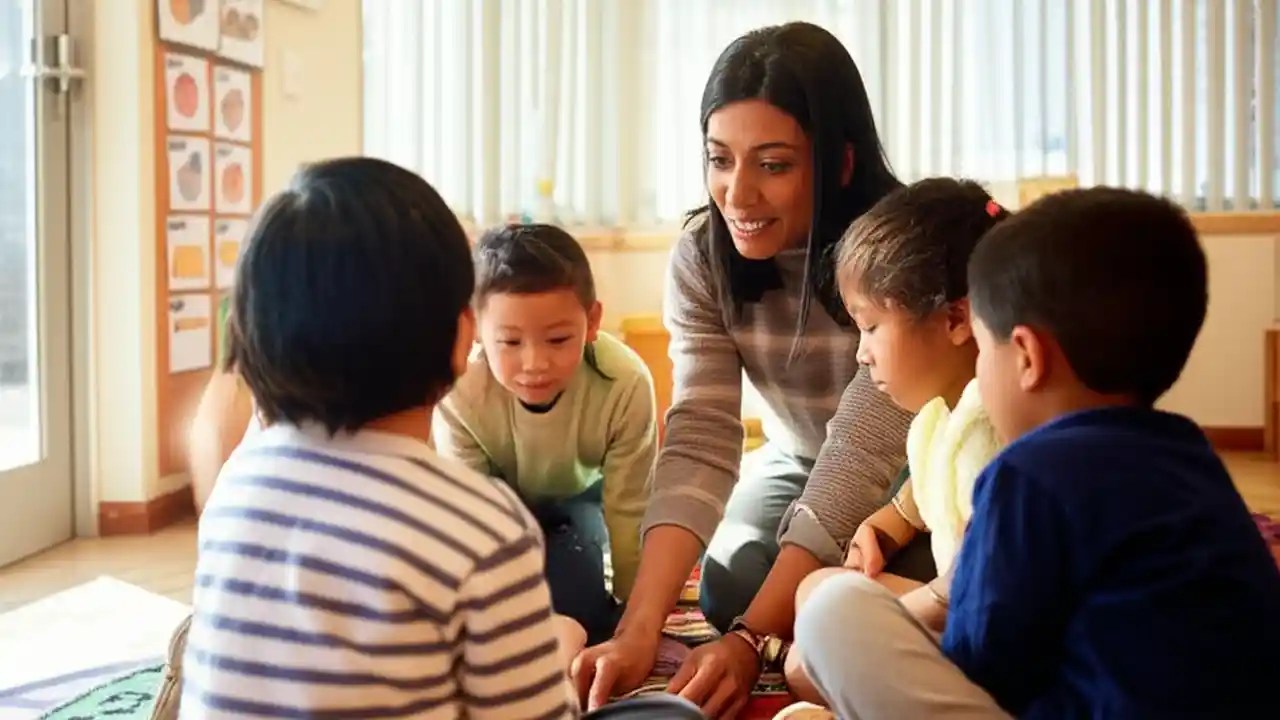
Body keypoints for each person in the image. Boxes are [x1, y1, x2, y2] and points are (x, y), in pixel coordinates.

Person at [794, 187, 1280, 718]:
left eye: (986, 349)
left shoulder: (1028, 475)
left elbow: (985, 661)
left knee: (831, 614)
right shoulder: (1190, 453)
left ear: (1026, 357)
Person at [573, 21, 927, 717]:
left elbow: (862, 451)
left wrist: (749, 642)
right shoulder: (704, 257)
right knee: (730, 585)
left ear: (841, 163)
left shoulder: (899, 252)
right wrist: (639, 627)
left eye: (773, 164)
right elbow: (701, 435)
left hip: (914, 476)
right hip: (798, 457)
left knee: (878, 591)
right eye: (720, 159)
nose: (737, 194)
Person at [782, 178, 1008, 704]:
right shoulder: (942, 415)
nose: (861, 355)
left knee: (818, 630)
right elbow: (925, 491)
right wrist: (886, 525)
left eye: (871, 327)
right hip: (965, 623)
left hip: (1002, 643)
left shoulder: (992, 432)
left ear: (955, 318)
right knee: (819, 605)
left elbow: (970, 592)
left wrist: (885, 621)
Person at [434, 223, 657, 647]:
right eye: (510, 342)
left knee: (582, 605)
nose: (535, 363)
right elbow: (469, 511)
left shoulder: (624, 382)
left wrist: (636, 615)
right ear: (476, 327)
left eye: (557, 339)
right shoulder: (460, 390)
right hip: (498, 502)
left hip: (581, 498)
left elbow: (630, 508)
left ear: (592, 322)